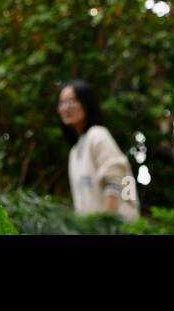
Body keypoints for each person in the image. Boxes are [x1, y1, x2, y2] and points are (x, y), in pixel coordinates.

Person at [57, 80, 140, 221]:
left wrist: (107, 218)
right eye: (62, 103)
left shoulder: (97, 134)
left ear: (86, 103)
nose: (66, 107)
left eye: (72, 100)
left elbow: (120, 177)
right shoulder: (74, 151)